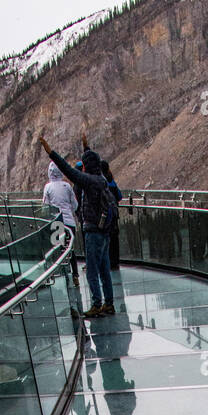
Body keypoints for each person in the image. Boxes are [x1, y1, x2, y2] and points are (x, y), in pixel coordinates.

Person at [38, 131, 117, 318]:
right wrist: (86, 146)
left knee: (92, 270)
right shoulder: (101, 179)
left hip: (93, 232)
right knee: (104, 269)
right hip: (105, 232)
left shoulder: (89, 182)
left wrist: (50, 152)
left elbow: (68, 170)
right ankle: (109, 303)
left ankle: (97, 304)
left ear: (87, 167)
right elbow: (90, 160)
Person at [42, 161, 80, 285]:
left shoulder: (47, 187)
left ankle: (64, 277)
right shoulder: (67, 186)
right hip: (69, 222)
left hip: (55, 223)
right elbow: (75, 205)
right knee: (71, 249)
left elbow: (45, 208)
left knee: (58, 250)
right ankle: (75, 275)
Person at [101, 160, 123, 269]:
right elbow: (119, 196)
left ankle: (108, 262)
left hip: (104, 216)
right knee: (115, 239)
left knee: (106, 239)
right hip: (114, 215)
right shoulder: (112, 182)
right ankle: (115, 262)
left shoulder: (100, 182)